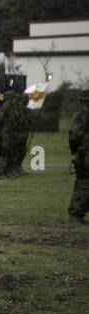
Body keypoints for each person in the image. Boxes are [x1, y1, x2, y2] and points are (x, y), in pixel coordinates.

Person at [69, 90, 88, 224]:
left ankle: (78, 214)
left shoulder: (81, 115)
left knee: (84, 184)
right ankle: (76, 214)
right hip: (85, 155)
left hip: (84, 153)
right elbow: (75, 136)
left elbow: (74, 137)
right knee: (83, 184)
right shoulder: (81, 116)